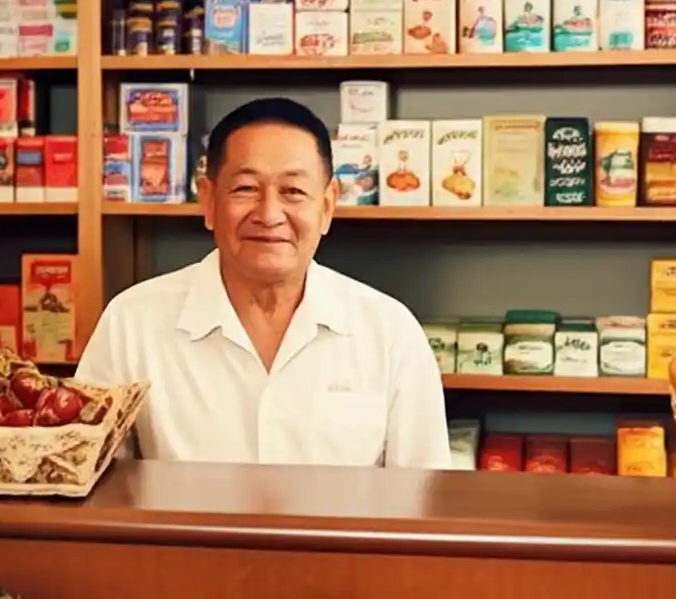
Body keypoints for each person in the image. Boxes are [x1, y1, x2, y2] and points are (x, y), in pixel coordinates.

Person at [76, 98, 451, 469]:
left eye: (293, 192)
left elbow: (424, 499)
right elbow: (86, 477)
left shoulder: (389, 332)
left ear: (327, 206)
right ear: (208, 202)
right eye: (245, 189)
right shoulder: (132, 322)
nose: (269, 214)